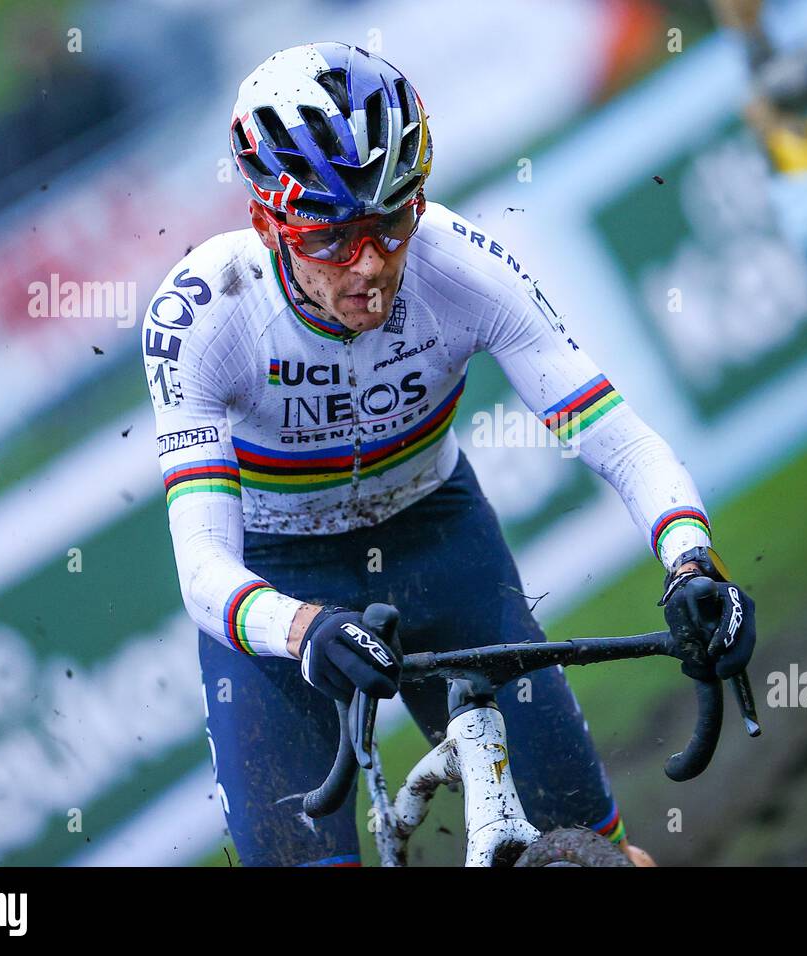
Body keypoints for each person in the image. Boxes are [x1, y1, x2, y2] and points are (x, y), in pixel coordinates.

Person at [141, 41, 756, 866]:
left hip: (441, 541)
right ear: (266, 222)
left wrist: (692, 563)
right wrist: (304, 629)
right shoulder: (208, 313)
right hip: (277, 578)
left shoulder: (460, 267)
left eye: (393, 221)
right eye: (332, 239)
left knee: (595, 857)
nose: (371, 266)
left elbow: (619, 439)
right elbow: (203, 570)